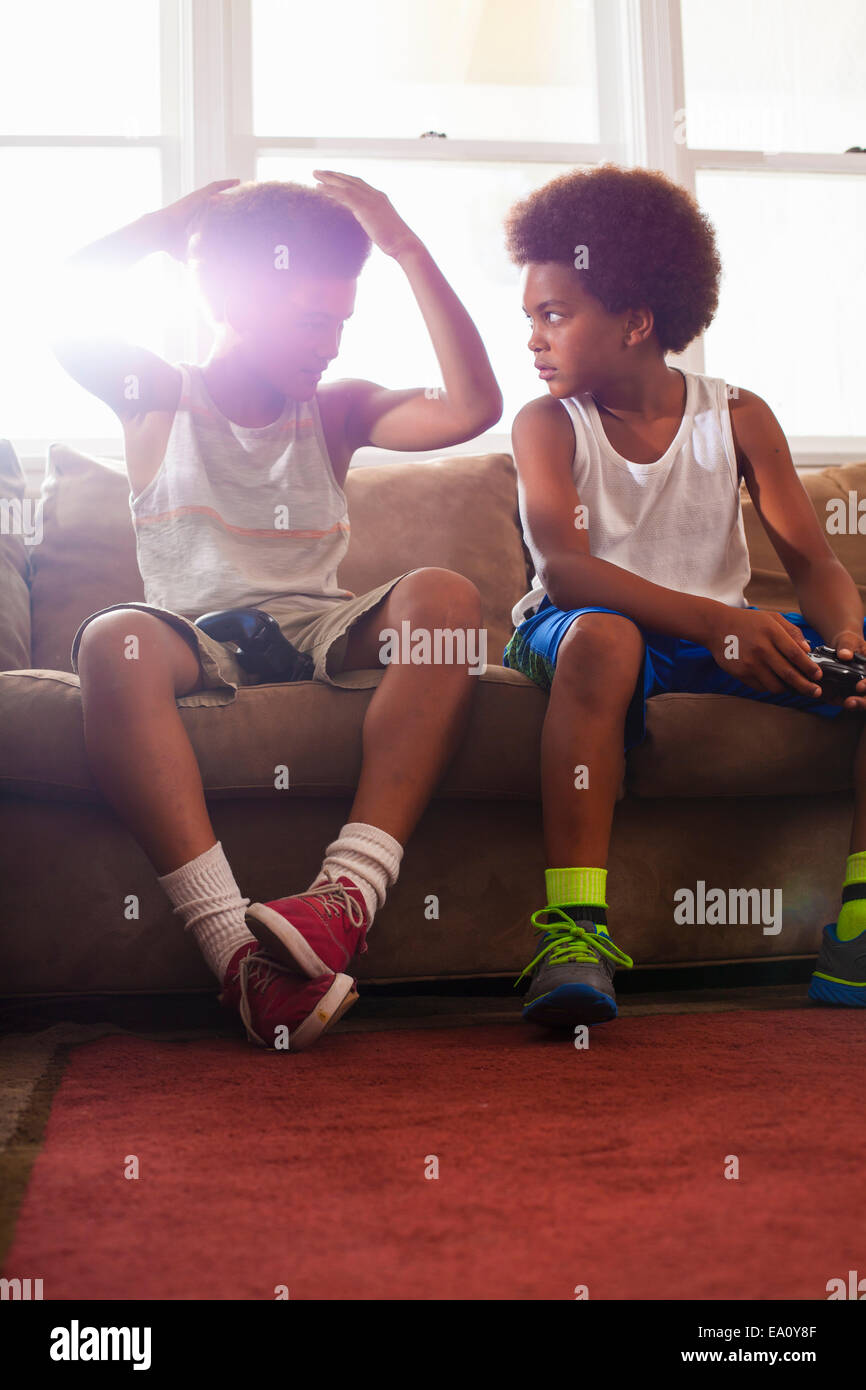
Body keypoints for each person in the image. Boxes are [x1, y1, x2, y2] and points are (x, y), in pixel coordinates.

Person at [52, 173, 502, 1050]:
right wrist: (165, 225)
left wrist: (406, 248)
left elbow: (474, 408)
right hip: (197, 637)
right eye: (310, 321)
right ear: (230, 301)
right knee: (115, 639)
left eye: (340, 323)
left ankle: (344, 901)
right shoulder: (155, 391)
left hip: (316, 627)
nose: (328, 344)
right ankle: (238, 957)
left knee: (445, 597)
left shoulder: (334, 409)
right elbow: (51, 306)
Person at [501, 164, 866, 1029]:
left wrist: (848, 639)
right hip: (579, 628)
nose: (533, 340)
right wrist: (721, 623)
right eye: (531, 318)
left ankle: (856, 924)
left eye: (553, 315)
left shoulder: (738, 415)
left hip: (712, 632)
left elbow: (813, 563)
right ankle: (573, 935)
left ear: (636, 320)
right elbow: (565, 569)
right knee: (609, 639)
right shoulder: (548, 424)